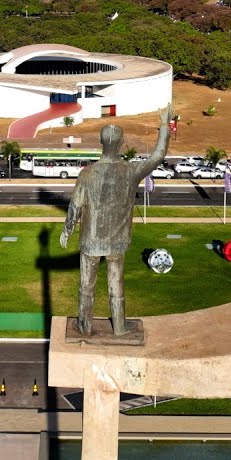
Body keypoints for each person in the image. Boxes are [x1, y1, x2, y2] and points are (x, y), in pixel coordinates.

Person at [61, 104, 173, 336]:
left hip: (91, 241)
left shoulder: (87, 173)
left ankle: (85, 325)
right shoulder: (131, 171)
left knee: (86, 286)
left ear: (102, 143)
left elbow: (75, 205)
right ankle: (120, 327)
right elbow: (158, 155)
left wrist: (67, 230)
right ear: (121, 143)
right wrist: (164, 125)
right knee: (116, 284)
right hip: (118, 241)